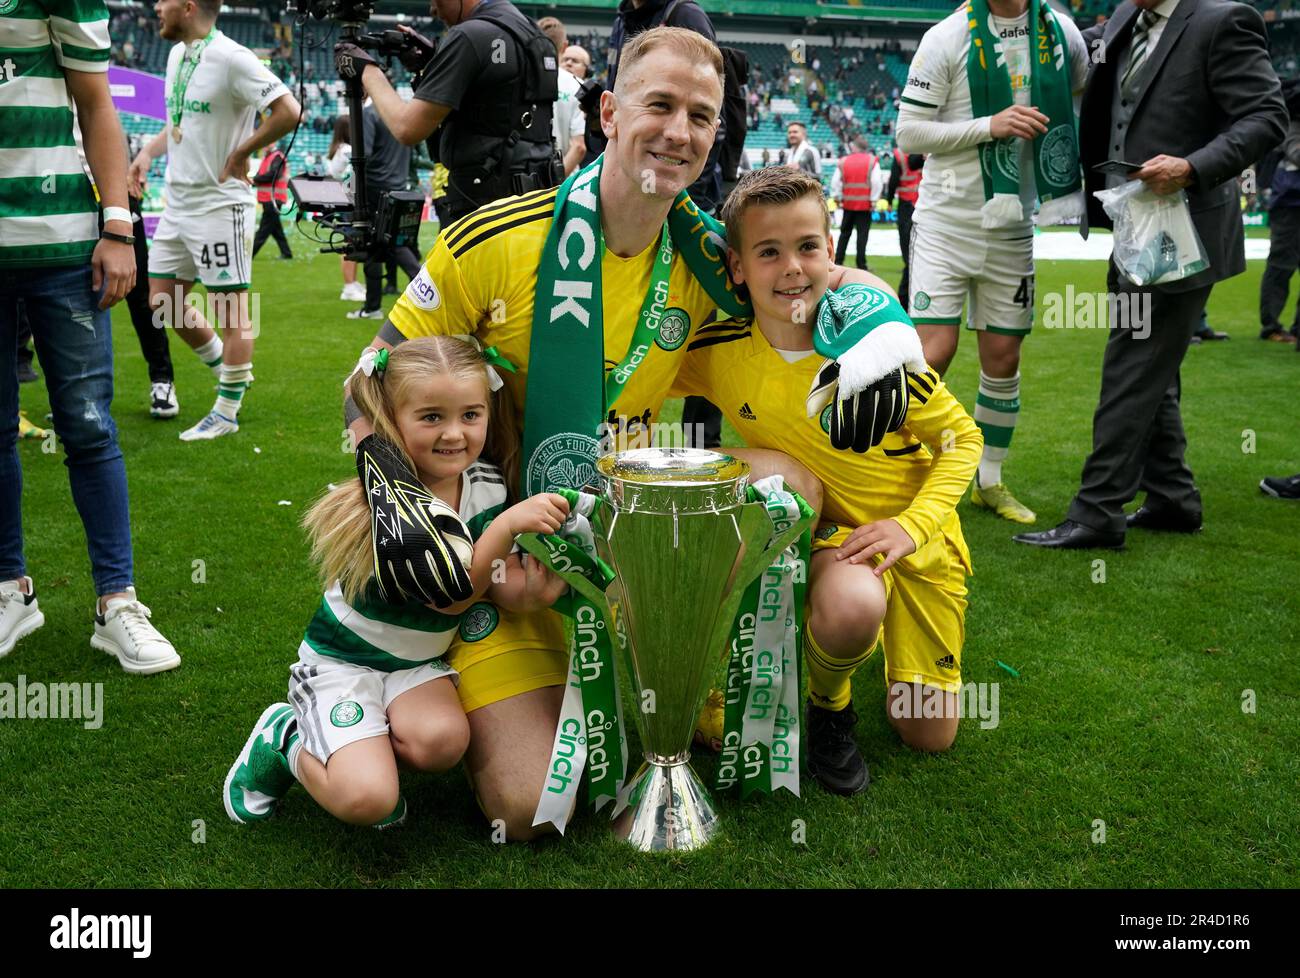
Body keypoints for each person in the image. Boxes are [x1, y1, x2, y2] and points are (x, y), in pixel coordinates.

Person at [346, 28, 903, 839]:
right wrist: (401, 501)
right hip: (507, 543)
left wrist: (881, 330)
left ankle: (690, 655)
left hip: (621, 517)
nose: (679, 131)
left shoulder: (709, 262)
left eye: (701, 116)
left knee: (792, 483)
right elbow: (368, 378)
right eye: (661, 105)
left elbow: (812, 274)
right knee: (527, 808)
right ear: (609, 111)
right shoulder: (496, 240)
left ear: (716, 135)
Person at [674, 167, 977, 793]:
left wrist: (911, 526)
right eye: (768, 252)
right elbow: (633, 381)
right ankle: (830, 702)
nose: (792, 268)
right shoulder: (717, 348)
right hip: (827, 542)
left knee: (928, 732)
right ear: (735, 267)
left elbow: (962, 439)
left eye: (807, 246)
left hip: (907, 536)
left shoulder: (871, 349)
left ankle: (840, 652)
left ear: (831, 251)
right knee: (854, 604)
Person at [224, 337, 572, 827]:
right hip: (344, 663)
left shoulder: (488, 484)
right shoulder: (386, 502)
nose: (454, 434)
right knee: (368, 802)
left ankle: (359, 753)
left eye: (470, 415)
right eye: (432, 417)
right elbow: (451, 596)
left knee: (442, 744)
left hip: (415, 666)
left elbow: (496, 578)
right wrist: (506, 526)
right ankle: (283, 740)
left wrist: (531, 593)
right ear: (392, 416)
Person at [1015, 0, 1287, 549]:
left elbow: (1266, 117)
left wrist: (1193, 167)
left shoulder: (1223, 20)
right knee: (1148, 363)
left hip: (1184, 232)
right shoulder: (1121, 20)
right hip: (1132, 227)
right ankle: (1172, 498)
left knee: (1131, 361)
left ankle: (1097, 512)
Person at [1, 0, 179, 673]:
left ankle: (117, 602)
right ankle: (9, 591)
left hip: (61, 244)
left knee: (86, 425)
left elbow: (97, 104)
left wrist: (116, 227)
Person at [896, 0, 1090, 526]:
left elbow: (1078, 100)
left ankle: (989, 480)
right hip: (945, 223)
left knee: (1003, 357)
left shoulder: (1062, 34)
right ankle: (903, 471)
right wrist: (990, 125)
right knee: (932, 352)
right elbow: (909, 134)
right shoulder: (947, 36)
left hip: (1013, 226)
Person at [128, 0, 300, 441]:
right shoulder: (176, 55)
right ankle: (231, 367)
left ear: (188, 7)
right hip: (178, 204)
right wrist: (147, 153)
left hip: (220, 205)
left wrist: (244, 151)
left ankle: (226, 411)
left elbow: (289, 110)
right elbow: (179, 120)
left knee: (231, 310)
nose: (157, 7)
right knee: (161, 301)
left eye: (164, 1)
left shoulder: (233, 58)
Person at [339, 0, 560, 224]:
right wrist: (434, 62)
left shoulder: (468, 36)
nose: (433, 9)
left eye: (436, 0)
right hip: (536, 204)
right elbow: (495, 103)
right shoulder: (533, 33)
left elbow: (406, 129)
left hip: (484, 209)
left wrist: (365, 69)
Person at [346, 101, 423, 321]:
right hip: (398, 185)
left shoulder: (369, 114)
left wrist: (352, 188)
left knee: (380, 245)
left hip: (374, 189)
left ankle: (423, 286)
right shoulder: (399, 111)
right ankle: (372, 307)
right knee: (387, 245)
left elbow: (364, 154)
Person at [538, 16, 586, 176]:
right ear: (565, 46)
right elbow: (578, 147)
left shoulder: (522, 79)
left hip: (526, 180)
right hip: (564, 183)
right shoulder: (577, 85)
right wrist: (555, 182)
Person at [326, 116, 365, 302]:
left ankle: (353, 282)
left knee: (352, 242)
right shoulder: (348, 150)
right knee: (350, 243)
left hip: (343, 201)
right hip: (348, 202)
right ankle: (349, 286)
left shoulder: (339, 149)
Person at [831, 136, 882, 270]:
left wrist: (837, 196)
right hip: (865, 205)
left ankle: (838, 261)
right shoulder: (872, 161)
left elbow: (836, 182)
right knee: (862, 235)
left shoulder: (843, 161)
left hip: (848, 203)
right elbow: (877, 182)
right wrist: (873, 200)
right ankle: (861, 264)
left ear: (854, 147)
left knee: (844, 233)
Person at [887, 144, 924, 312]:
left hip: (907, 205)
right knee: (915, 255)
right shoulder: (929, 148)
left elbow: (894, 180)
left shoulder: (899, 155)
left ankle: (903, 300)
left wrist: (888, 200)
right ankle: (909, 298)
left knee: (909, 255)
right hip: (924, 203)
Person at [251, 138, 293, 260]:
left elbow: (274, 174)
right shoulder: (268, 158)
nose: (264, 146)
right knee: (275, 229)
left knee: (264, 229)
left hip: (273, 199)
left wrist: (256, 179)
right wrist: (256, 179)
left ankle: (250, 254)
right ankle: (287, 253)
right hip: (269, 198)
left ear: (273, 143)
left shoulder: (277, 157)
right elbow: (261, 175)